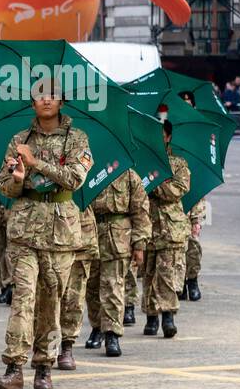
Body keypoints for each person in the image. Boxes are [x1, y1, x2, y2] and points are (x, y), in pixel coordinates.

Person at [0, 79, 93, 389]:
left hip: (60, 232)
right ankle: (14, 367)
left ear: (62, 102)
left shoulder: (76, 139)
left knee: (51, 302)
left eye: (52, 96)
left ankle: (44, 368)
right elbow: (3, 186)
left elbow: (75, 178)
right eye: (39, 96)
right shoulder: (20, 139)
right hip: (24, 230)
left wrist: (37, 163)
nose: (45, 100)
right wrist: (18, 178)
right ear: (32, 103)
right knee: (22, 297)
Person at [85, 168, 150, 357]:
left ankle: (112, 333)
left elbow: (140, 211)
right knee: (92, 286)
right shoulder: (86, 170)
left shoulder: (128, 174)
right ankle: (97, 327)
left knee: (113, 286)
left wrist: (139, 244)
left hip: (118, 237)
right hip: (90, 233)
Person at [142, 120, 191, 339]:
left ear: (168, 137)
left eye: (161, 134)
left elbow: (178, 189)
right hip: (147, 224)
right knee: (147, 273)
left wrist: (156, 183)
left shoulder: (178, 164)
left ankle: (168, 315)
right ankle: (151, 316)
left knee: (168, 272)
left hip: (171, 227)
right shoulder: (141, 162)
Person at [56, 206, 98, 369]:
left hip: (81, 235)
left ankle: (67, 347)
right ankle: (48, 347)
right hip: (50, 232)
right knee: (49, 296)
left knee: (74, 297)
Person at [183, 198, 205, 301]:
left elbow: (197, 195)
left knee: (193, 250)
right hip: (169, 217)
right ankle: (180, 283)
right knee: (174, 253)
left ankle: (192, 280)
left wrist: (196, 220)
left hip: (189, 215)